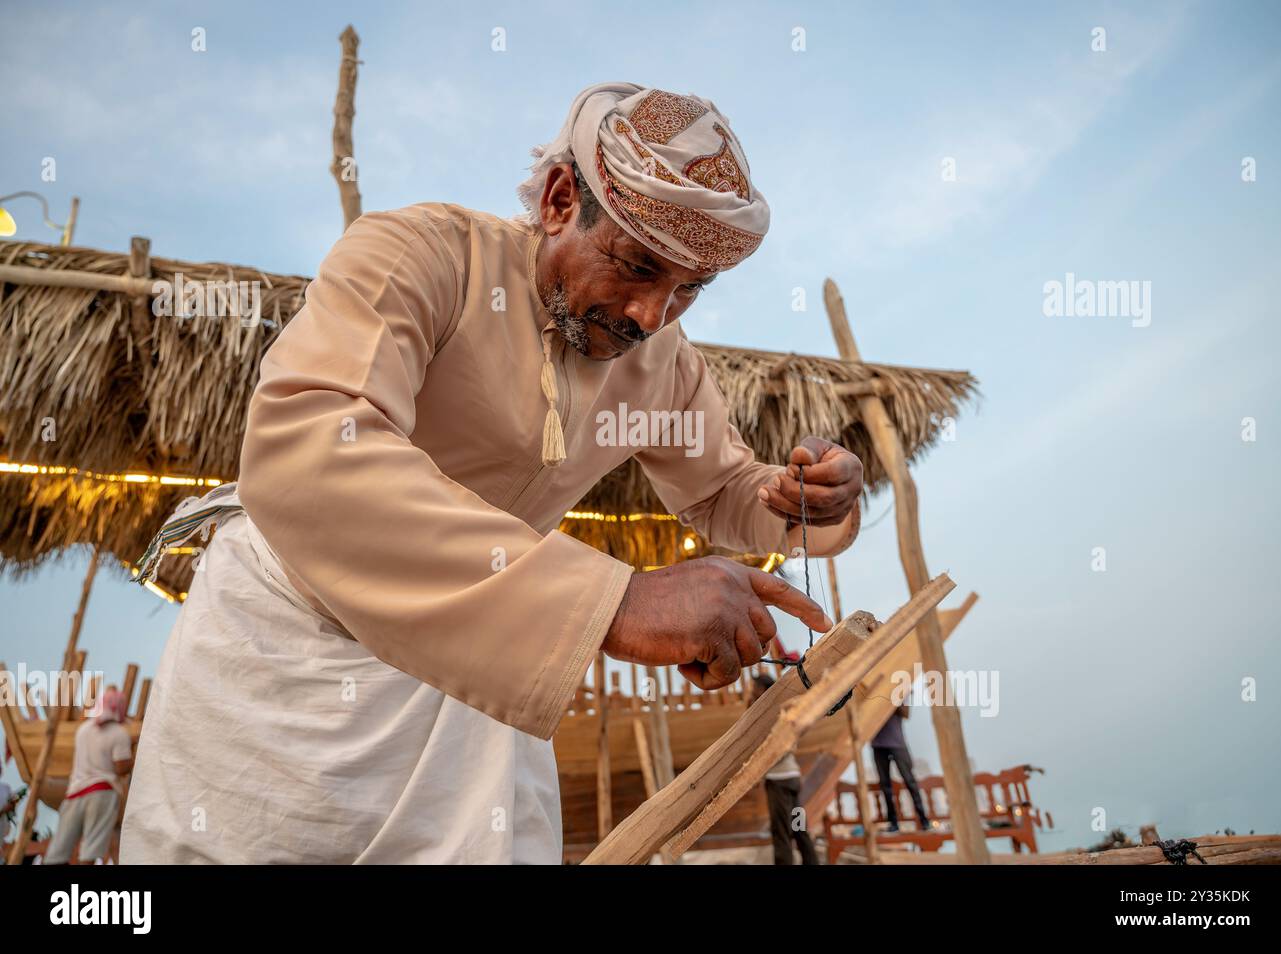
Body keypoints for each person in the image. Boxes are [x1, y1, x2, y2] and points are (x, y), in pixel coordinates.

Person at [123, 82, 865, 864]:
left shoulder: (662, 367)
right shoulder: (421, 255)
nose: (652, 315)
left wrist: (804, 500)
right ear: (556, 198)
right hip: (282, 647)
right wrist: (615, 603)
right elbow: (313, 454)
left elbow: (724, 492)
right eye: (639, 265)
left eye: (688, 290)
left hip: (472, 667)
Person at [44, 687, 132, 865]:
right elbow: (121, 768)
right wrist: (134, 758)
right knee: (90, 849)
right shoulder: (119, 733)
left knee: (58, 850)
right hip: (102, 793)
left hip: (74, 793)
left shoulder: (83, 730)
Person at [751, 673, 819, 864]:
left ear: (763, 690)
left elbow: (778, 748)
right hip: (792, 778)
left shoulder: (769, 715)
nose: (752, 691)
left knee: (780, 830)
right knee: (798, 828)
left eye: (755, 688)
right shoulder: (780, 711)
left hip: (779, 780)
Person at [871, 703, 932, 832]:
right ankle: (893, 823)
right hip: (877, 744)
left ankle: (924, 820)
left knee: (910, 781)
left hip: (897, 743)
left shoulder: (900, 689)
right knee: (885, 785)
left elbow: (906, 713)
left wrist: (890, 698)